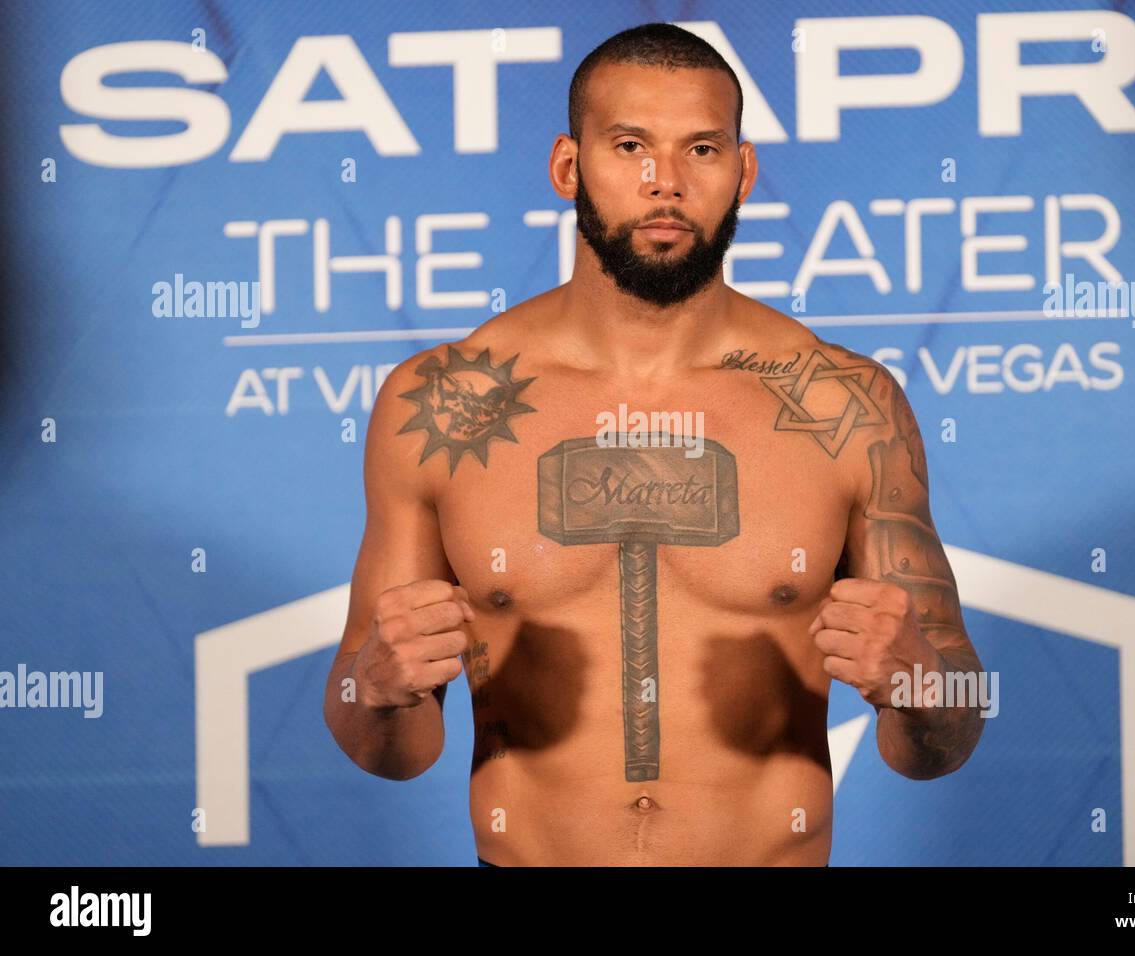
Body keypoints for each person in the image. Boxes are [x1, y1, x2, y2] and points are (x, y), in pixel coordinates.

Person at [323, 22, 984, 866]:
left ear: (743, 172)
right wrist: (376, 686)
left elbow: (952, 730)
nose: (662, 182)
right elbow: (387, 746)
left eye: (701, 149)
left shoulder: (845, 405)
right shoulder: (443, 404)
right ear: (569, 165)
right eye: (630, 144)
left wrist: (921, 682)